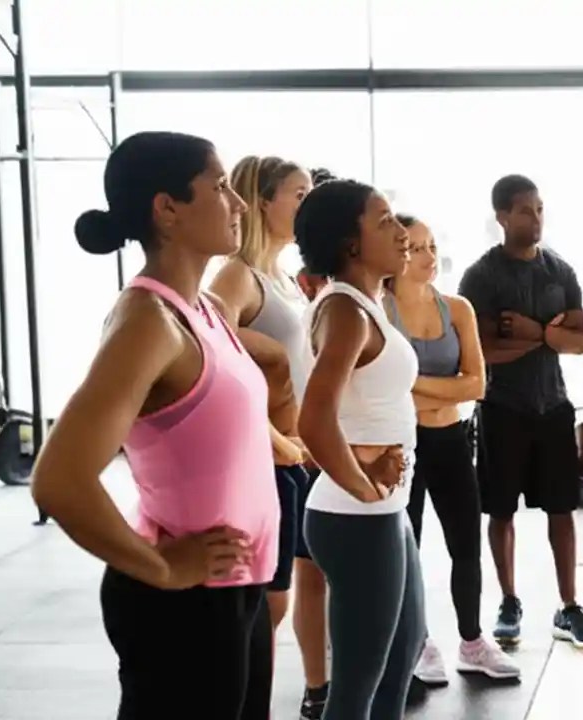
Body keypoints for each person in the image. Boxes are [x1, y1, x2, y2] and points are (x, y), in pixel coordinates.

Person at [29, 131, 277, 718]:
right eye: (219, 188)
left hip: (236, 589)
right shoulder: (149, 322)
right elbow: (59, 479)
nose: (238, 203)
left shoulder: (205, 309)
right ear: (167, 209)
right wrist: (163, 566)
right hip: (186, 605)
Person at [293, 178, 427, 720]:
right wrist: (362, 481)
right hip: (356, 516)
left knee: (400, 660)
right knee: (355, 691)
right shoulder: (345, 310)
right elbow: (314, 418)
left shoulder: (362, 304)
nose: (402, 233)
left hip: (381, 512)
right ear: (352, 243)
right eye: (385, 221)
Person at [457, 174, 583, 650]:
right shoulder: (480, 276)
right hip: (502, 409)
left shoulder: (560, 272)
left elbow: (580, 342)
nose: (536, 218)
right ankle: (509, 600)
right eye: (526, 210)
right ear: (502, 216)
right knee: (501, 511)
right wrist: (546, 336)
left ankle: (569, 607)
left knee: (562, 509)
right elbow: (481, 352)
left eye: (540, 208)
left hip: (554, 407)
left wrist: (528, 332)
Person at [209, 155, 331, 718]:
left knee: (297, 593)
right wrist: (276, 440)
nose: (307, 206)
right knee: (266, 609)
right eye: (299, 195)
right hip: (269, 461)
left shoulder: (283, 275)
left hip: (300, 456)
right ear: (264, 201)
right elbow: (211, 358)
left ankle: (314, 688)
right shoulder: (237, 276)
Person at [386, 214, 520, 682]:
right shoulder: (379, 310)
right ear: (396, 255)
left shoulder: (457, 308)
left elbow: (477, 384)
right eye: (416, 248)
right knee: (409, 548)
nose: (427, 256)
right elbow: (383, 389)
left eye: (430, 245)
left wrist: (412, 383)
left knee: (465, 543)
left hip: (451, 439)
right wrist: (443, 385)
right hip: (403, 442)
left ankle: (472, 642)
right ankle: (417, 643)